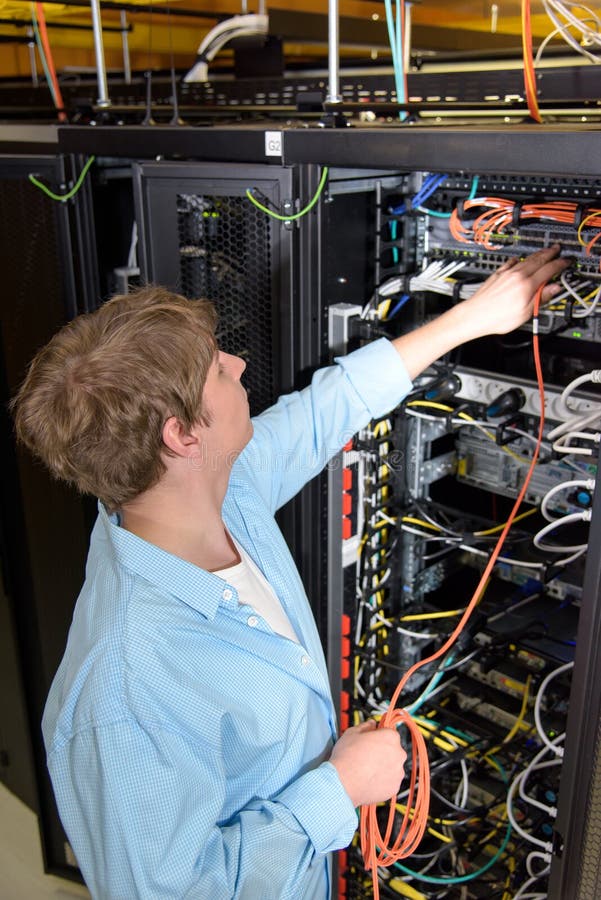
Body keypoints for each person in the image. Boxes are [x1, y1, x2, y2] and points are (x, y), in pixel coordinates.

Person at [11, 246, 567, 900]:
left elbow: (324, 409)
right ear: (182, 436)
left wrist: (471, 319)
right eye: (218, 368)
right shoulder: (124, 690)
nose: (239, 365)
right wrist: (339, 788)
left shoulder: (210, 494)